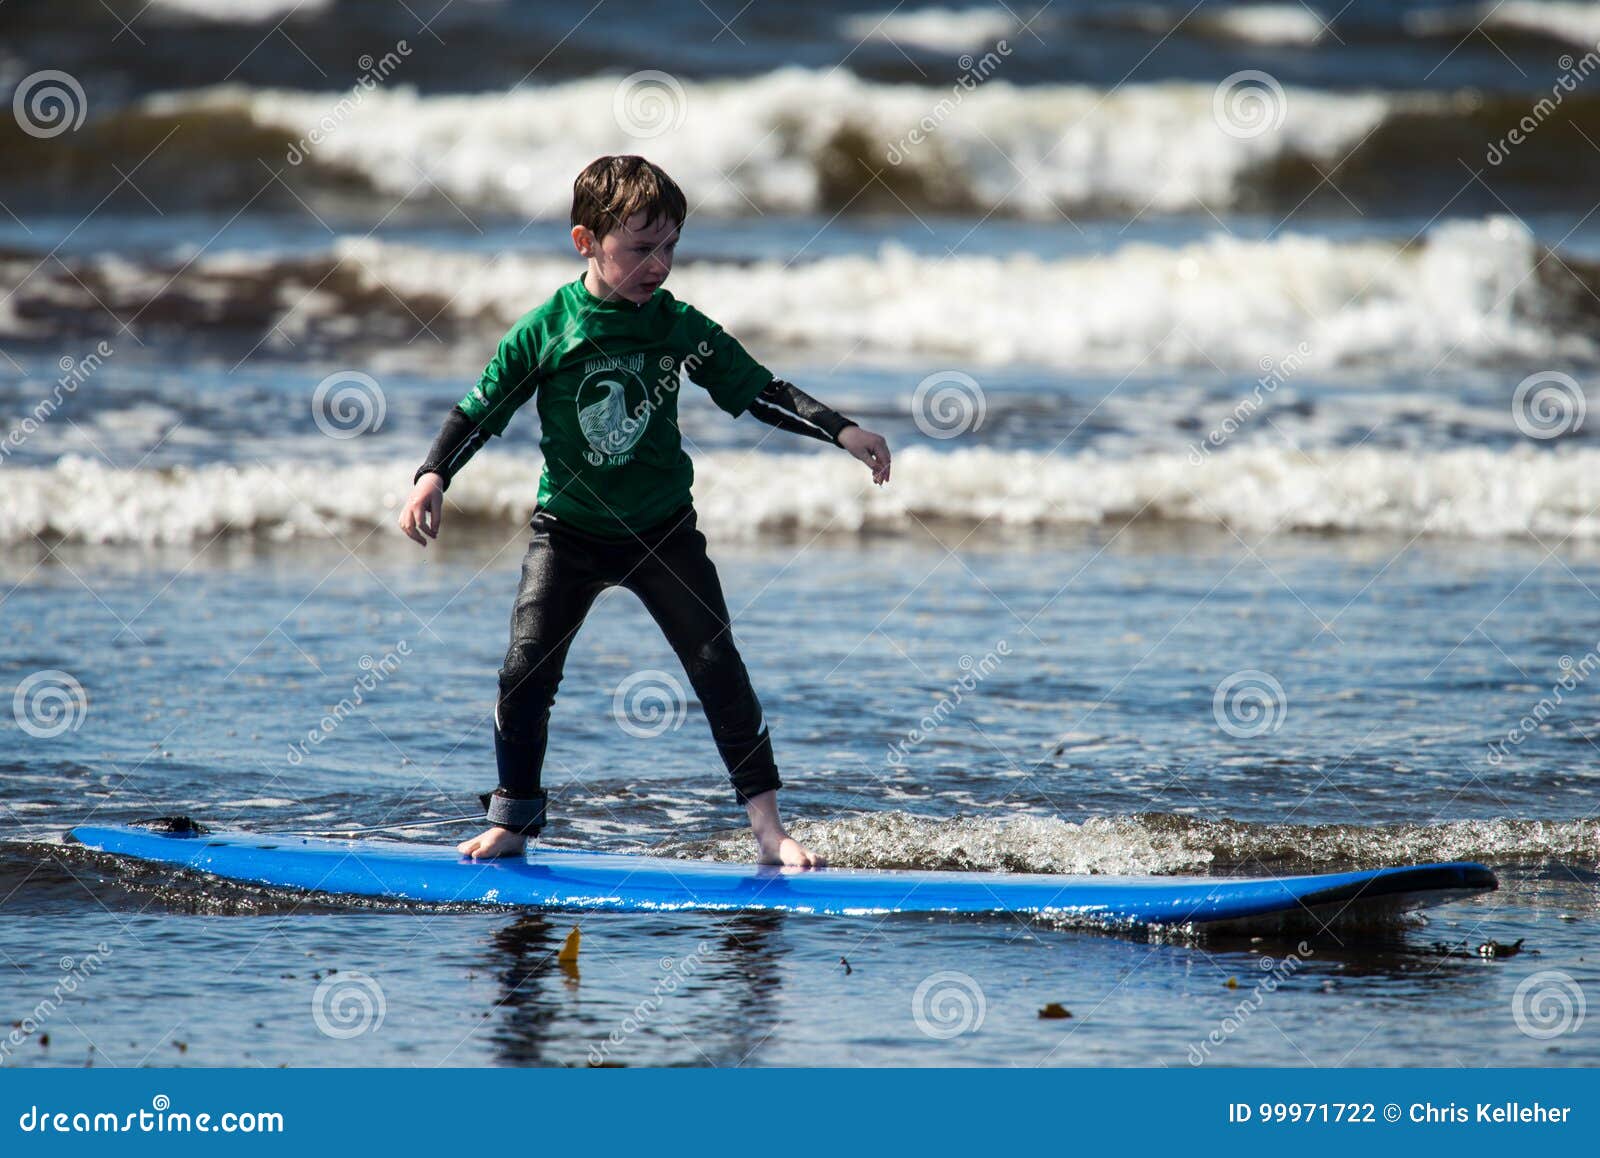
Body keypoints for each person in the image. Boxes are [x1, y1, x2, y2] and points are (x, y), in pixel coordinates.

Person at [398, 154, 892, 865]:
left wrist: (842, 429)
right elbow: (482, 407)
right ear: (586, 242)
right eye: (640, 248)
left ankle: (768, 827)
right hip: (567, 532)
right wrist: (432, 473)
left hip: (663, 532)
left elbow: (756, 389)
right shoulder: (548, 329)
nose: (659, 264)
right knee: (525, 671)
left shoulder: (677, 326)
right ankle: (513, 820)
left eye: (670, 247)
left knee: (717, 665)